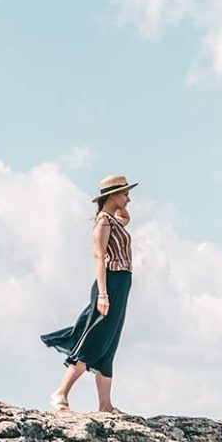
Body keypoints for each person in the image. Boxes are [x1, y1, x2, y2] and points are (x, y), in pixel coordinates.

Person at [43, 174, 135, 413]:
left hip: (122, 284)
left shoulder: (113, 220)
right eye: (125, 194)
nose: (129, 198)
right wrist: (103, 294)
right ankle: (60, 393)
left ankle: (105, 405)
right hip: (111, 283)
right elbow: (98, 257)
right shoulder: (104, 222)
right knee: (94, 338)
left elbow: (125, 217)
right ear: (113, 195)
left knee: (109, 342)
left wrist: (119, 205)